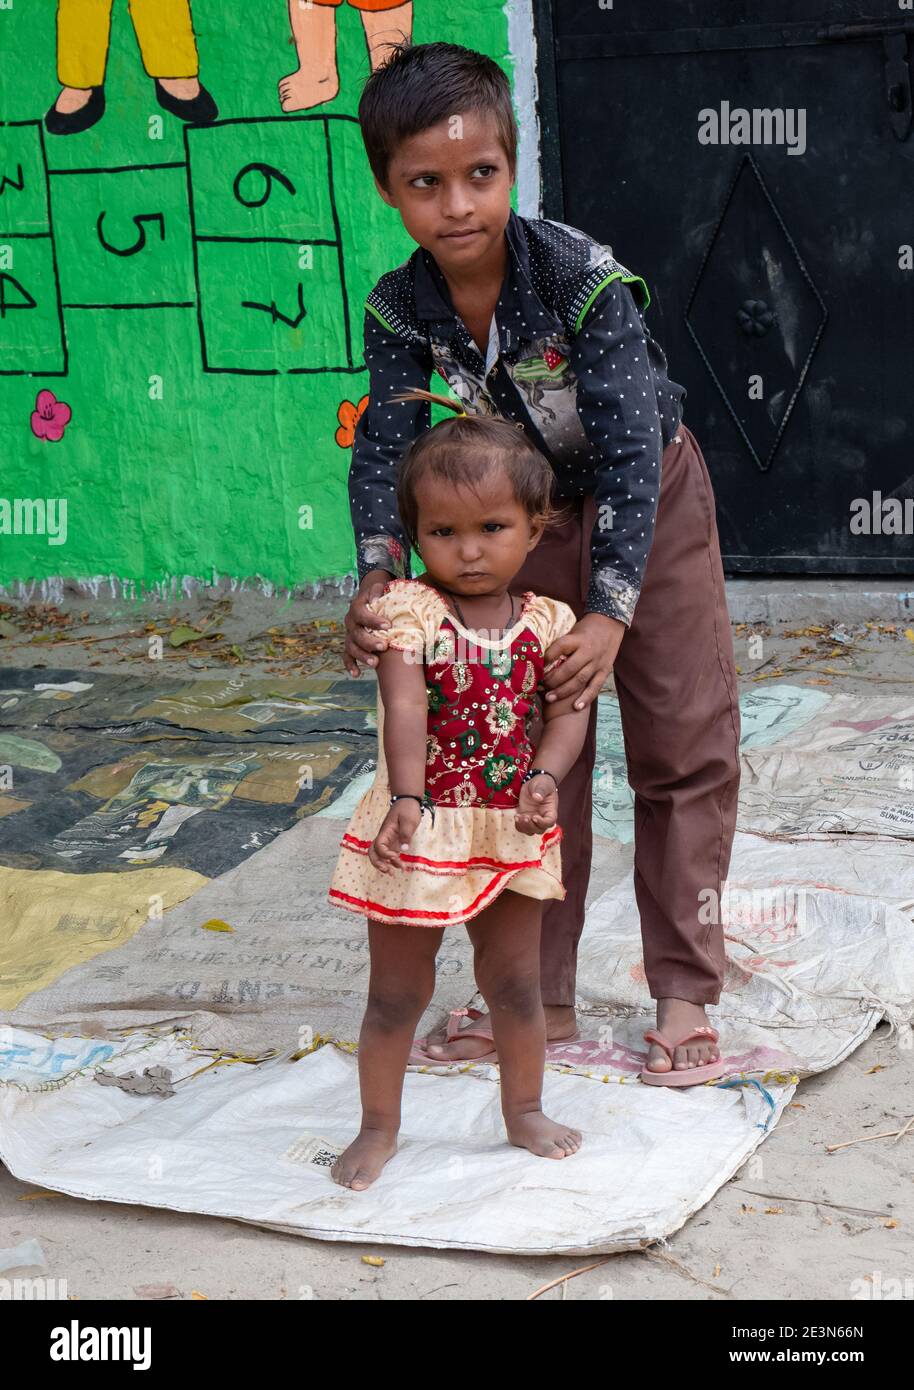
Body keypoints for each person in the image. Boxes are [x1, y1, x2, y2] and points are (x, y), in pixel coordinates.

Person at [344, 41, 741, 1086]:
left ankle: (684, 987)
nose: (456, 204)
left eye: (479, 174)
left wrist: (608, 615)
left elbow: (619, 450)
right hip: (503, 539)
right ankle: (539, 993)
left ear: (512, 166)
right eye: (424, 183)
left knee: (679, 739)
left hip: (641, 505)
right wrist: (378, 575)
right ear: (387, 189)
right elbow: (385, 445)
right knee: (519, 754)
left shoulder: (577, 278)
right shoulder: (397, 308)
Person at [328, 390, 590, 1189]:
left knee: (514, 985)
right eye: (442, 533)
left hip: (509, 828)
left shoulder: (551, 620)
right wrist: (408, 797)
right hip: (420, 828)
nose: (468, 551)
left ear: (534, 528)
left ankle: (523, 1111)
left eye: (491, 529)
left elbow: (568, 714)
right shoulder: (411, 608)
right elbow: (404, 703)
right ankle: (378, 1127)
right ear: (414, 538)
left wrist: (546, 775)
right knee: (396, 997)